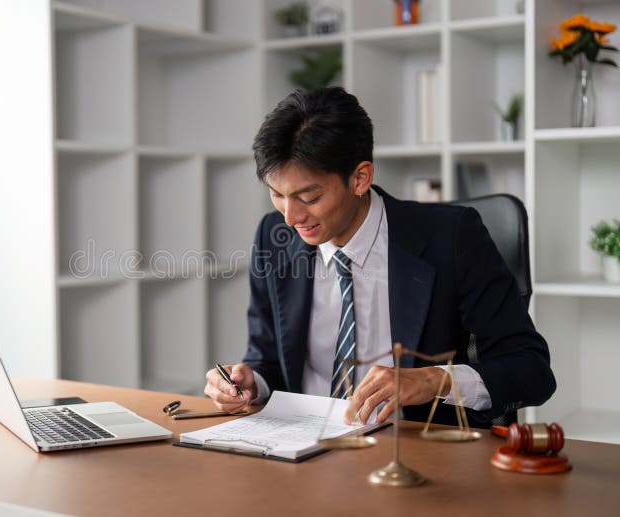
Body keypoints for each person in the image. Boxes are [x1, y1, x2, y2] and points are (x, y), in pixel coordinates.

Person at [204, 87, 555, 428]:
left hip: (411, 454)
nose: (290, 217)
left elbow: (531, 369)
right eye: (277, 195)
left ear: (360, 178)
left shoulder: (452, 237)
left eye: (308, 198)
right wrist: (250, 384)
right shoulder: (274, 238)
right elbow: (266, 356)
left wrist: (435, 380)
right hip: (302, 448)